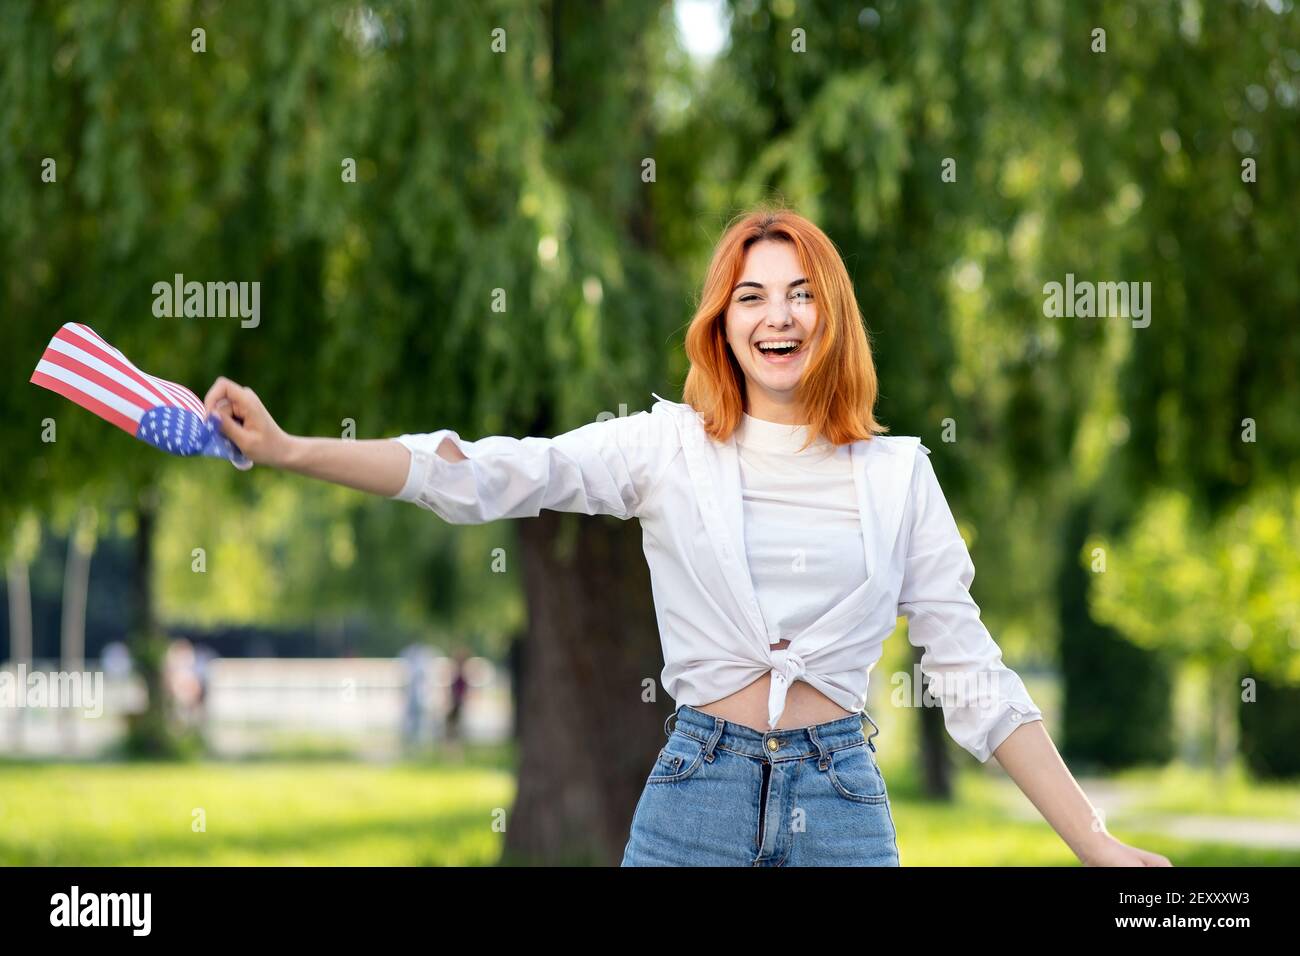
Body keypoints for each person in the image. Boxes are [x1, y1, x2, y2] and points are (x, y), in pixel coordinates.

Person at [200, 205, 1171, 868]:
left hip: (841, 798)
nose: (777, 314)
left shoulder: (898, 472)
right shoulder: (665, 446)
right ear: (723, 321)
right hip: (695, 788)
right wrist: (289, 449)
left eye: (799, 293)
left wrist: (1091, 838)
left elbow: (969, 672)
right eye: (751, 294)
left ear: (831, 318)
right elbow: (489, 469)